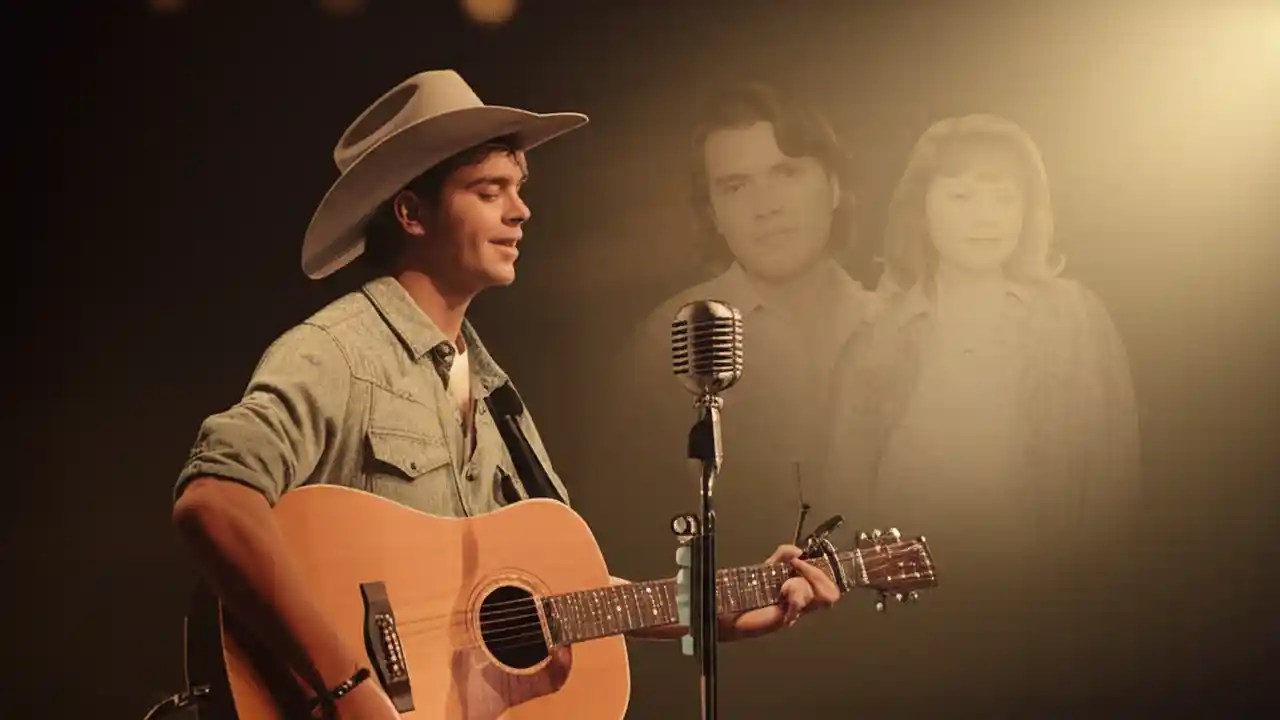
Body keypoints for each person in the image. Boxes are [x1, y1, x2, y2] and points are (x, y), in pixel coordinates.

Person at [169, 70, 841, 720]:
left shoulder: (494, 394)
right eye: (489, 190)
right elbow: (214, 501)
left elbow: (556, 599)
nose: (521, 210)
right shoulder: (338, 351)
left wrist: (724, 607)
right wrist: (349, 688)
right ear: (411, 211)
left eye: (517, 188)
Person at [816, 113, 1142, 706]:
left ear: (1030, 210)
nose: (985, 216)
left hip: (1045, 618)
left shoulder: (1076, 318)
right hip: (911, 623)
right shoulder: (877, 337)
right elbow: (844, 488)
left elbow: (1113, 483)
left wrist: (1080, 606)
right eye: (961, 195)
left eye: (1002, 196)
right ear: (923, 209)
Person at [613, 81, 882, 562]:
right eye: (736, 186)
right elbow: (631, 525)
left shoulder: (898, 326)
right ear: (713, 212)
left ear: (836, 186)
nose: (766, 206)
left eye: (787, 173)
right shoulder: (670, 337)